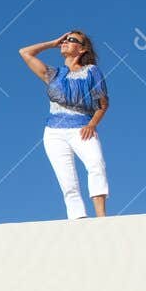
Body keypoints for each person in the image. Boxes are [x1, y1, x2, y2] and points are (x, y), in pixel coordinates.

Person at [18, 31, 110, 219]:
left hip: (82, 127)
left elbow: (103, 104)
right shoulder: (54, 74)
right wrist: (53, 42)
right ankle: (78, 220)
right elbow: (24, 52)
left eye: (72, 40)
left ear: (82, 49)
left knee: (96, 164)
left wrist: (92, 125)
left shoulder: (91, 71)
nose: (66, 42)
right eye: (65, 40)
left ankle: (102, 218)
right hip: (54, 133)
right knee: (68, 181)